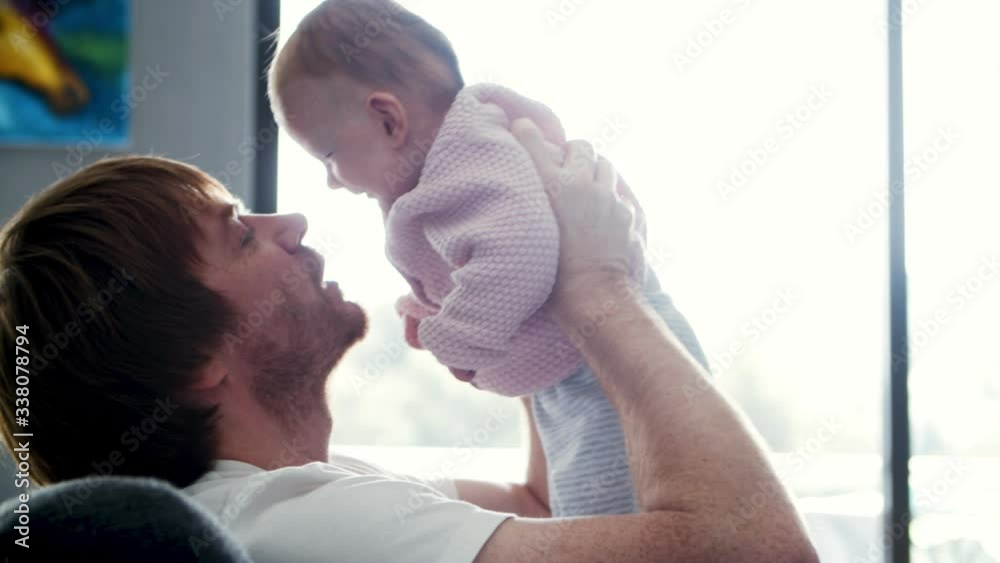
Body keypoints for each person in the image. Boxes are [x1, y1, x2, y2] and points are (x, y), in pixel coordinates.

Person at [0, 117, 817, 561]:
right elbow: (759, 554)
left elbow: (540, 508)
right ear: (196, 364)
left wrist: (518, 291)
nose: (290, 223)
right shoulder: (295, 525)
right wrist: (600, 286)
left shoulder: (294, 494)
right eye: (242, 236)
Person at [268, 0, 712, 516]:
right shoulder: (457, 168)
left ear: (388, 119)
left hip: (615, 370)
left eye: (328, 156)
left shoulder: (473, 159)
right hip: (583, 369)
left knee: (625, 516)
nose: (332, 180)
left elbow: (521, 252)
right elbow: (492, 264)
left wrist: (458, 335)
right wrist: (432, 310)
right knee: (589, 511)